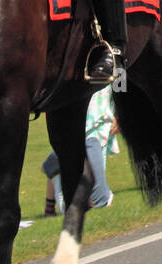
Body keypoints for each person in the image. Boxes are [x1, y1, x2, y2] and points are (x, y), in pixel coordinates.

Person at [43, 85, 116, 214]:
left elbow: (119, 85)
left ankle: (53, 167)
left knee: (64, 153)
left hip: (95, 122)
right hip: (92, 123)